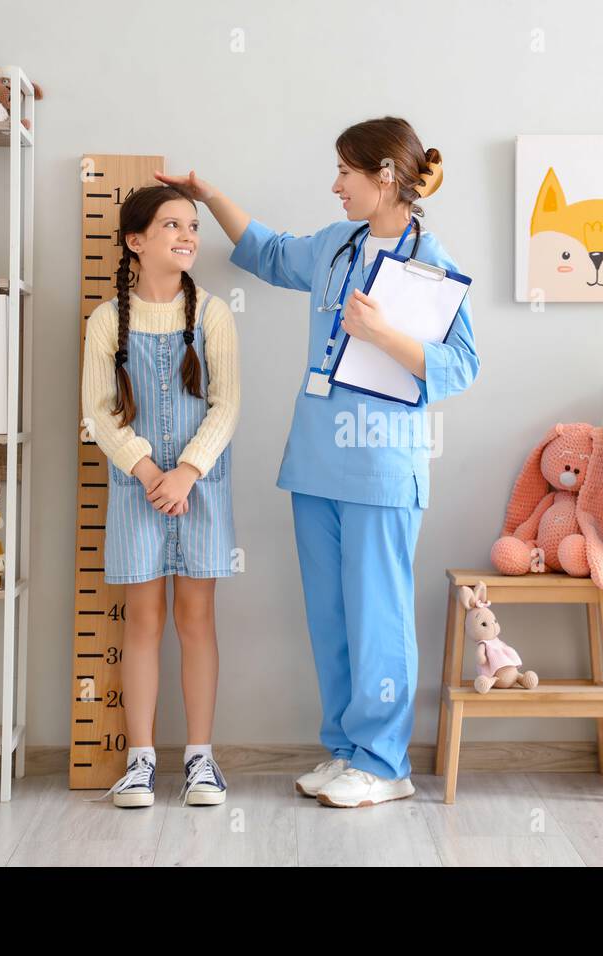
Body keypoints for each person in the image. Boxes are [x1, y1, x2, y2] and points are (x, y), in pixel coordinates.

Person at [157, 116, 478, 808]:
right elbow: (268, 252)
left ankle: (385, 763)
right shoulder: (337, 244)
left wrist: (385, 334)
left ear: (386, 177)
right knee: (331, 617)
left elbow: (462, 366)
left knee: (378, 619)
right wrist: (209, 196)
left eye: (346, 173)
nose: (335, 186)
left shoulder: (432, 263)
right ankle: (346, 751)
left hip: (381, 468)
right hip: (315, 463)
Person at [81, 184, 241, 808]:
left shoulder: (215, 315)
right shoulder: (104, 320)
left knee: (197, 619)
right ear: (136, 241)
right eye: (171, 224)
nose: (187, 235)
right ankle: (140, 760)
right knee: (142, 621)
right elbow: (98, 413)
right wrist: (150, 473)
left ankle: (201, 758)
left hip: (202, 490)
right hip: (135, 492)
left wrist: (188, 472)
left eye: (193, 226)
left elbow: (227, 405)